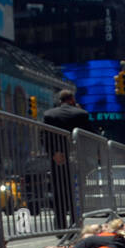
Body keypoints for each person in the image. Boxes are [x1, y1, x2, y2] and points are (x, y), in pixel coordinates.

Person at [41, 89, 93, 230]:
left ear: (59, 100)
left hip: (57, 159)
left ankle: (60, 224)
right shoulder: (81, 114)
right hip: (77, 157)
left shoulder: (49, 114)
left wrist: (53, 153)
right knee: (76, 190)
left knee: (58, 191)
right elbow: (89, 136)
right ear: (72, 99)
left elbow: (44, 137)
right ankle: (76, 222)